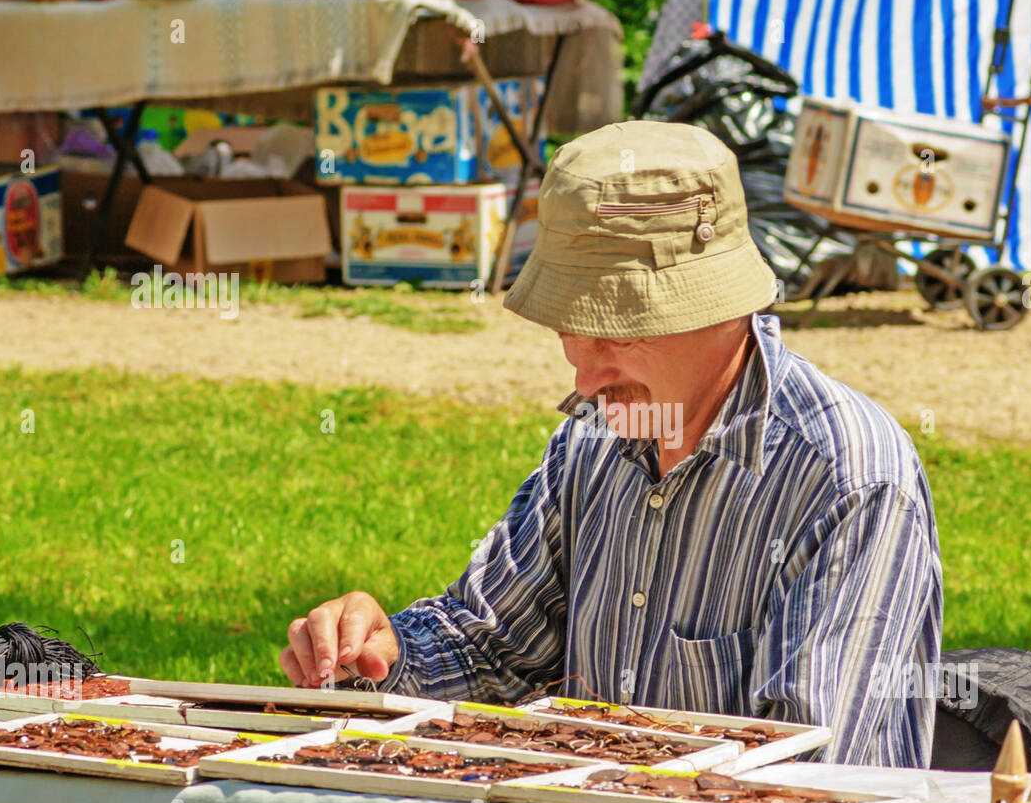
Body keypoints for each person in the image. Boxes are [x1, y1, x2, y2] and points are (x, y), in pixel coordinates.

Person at [281, 120, 944, 766]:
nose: (585, 376)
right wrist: (389, 649)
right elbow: (495, 652)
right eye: (572, 327)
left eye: (618, 330)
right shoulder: (595, 437)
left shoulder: (850, 480)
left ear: (719, 309)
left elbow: (812, 776)